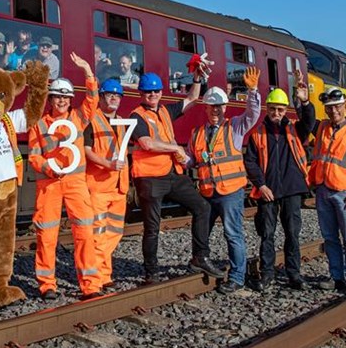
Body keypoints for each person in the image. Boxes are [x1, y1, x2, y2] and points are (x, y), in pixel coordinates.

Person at [129, 71, 225, 284]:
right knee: (152, 227)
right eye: (148, 91)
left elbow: (191, 99)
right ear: (141, 93)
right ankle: (151, 273)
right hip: (149, 177)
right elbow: (147, 143)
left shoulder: (164, 110)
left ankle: (200, 256)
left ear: (161, 92)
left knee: (202, 207)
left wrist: (197, 80)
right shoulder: (136, 116)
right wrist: (175, 147)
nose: (152, 94)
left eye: (155, 91)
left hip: (171, 173)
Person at [28, 53, 102, 300]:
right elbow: (34, 156)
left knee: (84, 232)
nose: (61, 101)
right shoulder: (39, 124)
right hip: (49, 183)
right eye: (58, 96)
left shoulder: (78, 118)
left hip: (75, 183)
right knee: (46, 235)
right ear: (51, 99)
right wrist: (49, 168)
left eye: (66, 97)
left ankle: (90, 284)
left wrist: (88, 71)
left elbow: (92, 100)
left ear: (71, 101)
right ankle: (47, 284)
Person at [187, 68, 261, 294]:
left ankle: (237, 277)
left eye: (219, 106)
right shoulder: (197, 133)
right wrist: (178, 157)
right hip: (208, 192)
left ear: (225, 107)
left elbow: (253, 114)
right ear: (206, 108)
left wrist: (253, 91)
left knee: (232, 233)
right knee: (201, 230)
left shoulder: (235, 126)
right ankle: (199, 260)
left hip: (230, 192)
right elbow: (191, 159)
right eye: (212, 106)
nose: (215, 111)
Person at [244, 71, 315, 291]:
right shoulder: (257, 134)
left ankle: (294, 273)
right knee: (267, 234)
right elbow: (251, 162)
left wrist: (304, 100)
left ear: (286, 110)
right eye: (273, 109)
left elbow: (310, 121)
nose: (277, 113)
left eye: (281, 109)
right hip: (268, 191)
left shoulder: (295, 128)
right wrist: (260, 185)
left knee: (292, 233)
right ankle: (267, 274)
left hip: (292, 189)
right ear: (267, 109)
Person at [308, 87, 346, 292]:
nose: (333, 111)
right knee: (330, 237)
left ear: (345, 106)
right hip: (323, 190)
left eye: (337, 107)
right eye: (329, 108)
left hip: (344, 193)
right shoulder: (323, 127)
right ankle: (337, 276)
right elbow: (306, 119)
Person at [83, 77, 130, 289]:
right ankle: (100, 278)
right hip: (99, 187)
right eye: (110, 95)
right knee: (98, 235)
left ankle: (103, 274)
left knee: (114, 233)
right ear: (101, 97)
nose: (114, 98)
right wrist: (107, 164)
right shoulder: (92, 120)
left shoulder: (122, 122)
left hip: (119, 188)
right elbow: (86, 150)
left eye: (117, 96)